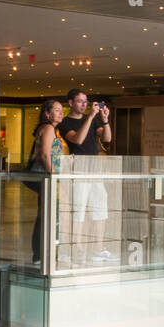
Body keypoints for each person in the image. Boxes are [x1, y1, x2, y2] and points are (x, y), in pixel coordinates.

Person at [59, 89, 115, 265]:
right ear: (71, 103)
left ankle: (98, 248)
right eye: (79, 101)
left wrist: (104, 119)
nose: (84, 104)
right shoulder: (65, 122)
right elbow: (78, 140)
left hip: (95, 170)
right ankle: (79, 248)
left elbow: (107, 138)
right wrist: (91, 117)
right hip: (79, 171)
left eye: (86, 101)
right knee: (79, 212)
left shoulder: (92, 120)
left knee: (100, 210)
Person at [27, 99, 63, 265]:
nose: (61, 112)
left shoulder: (48, 128)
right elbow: (44, 155)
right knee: (47, 216)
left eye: (62, 110)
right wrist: (52, 174)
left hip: (44, 176)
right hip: (45, 177)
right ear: (47, 113)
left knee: (44, 215)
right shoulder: (48, 128)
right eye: (56, 110)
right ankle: (41, 254)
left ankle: (39, 254)